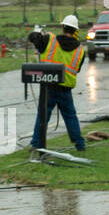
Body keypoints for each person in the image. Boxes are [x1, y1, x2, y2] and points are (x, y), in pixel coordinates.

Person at [27, 14, 86, 153]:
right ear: (75, 30)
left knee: (43, 116)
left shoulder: (50, 39)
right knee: (70, 116)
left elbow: (33, 38)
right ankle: (79, 144)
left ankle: (36, 143)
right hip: (65, 88)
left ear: (63, 27)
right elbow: (77, 68)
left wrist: (37, 32)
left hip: (49, 85)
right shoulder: (80, 49)